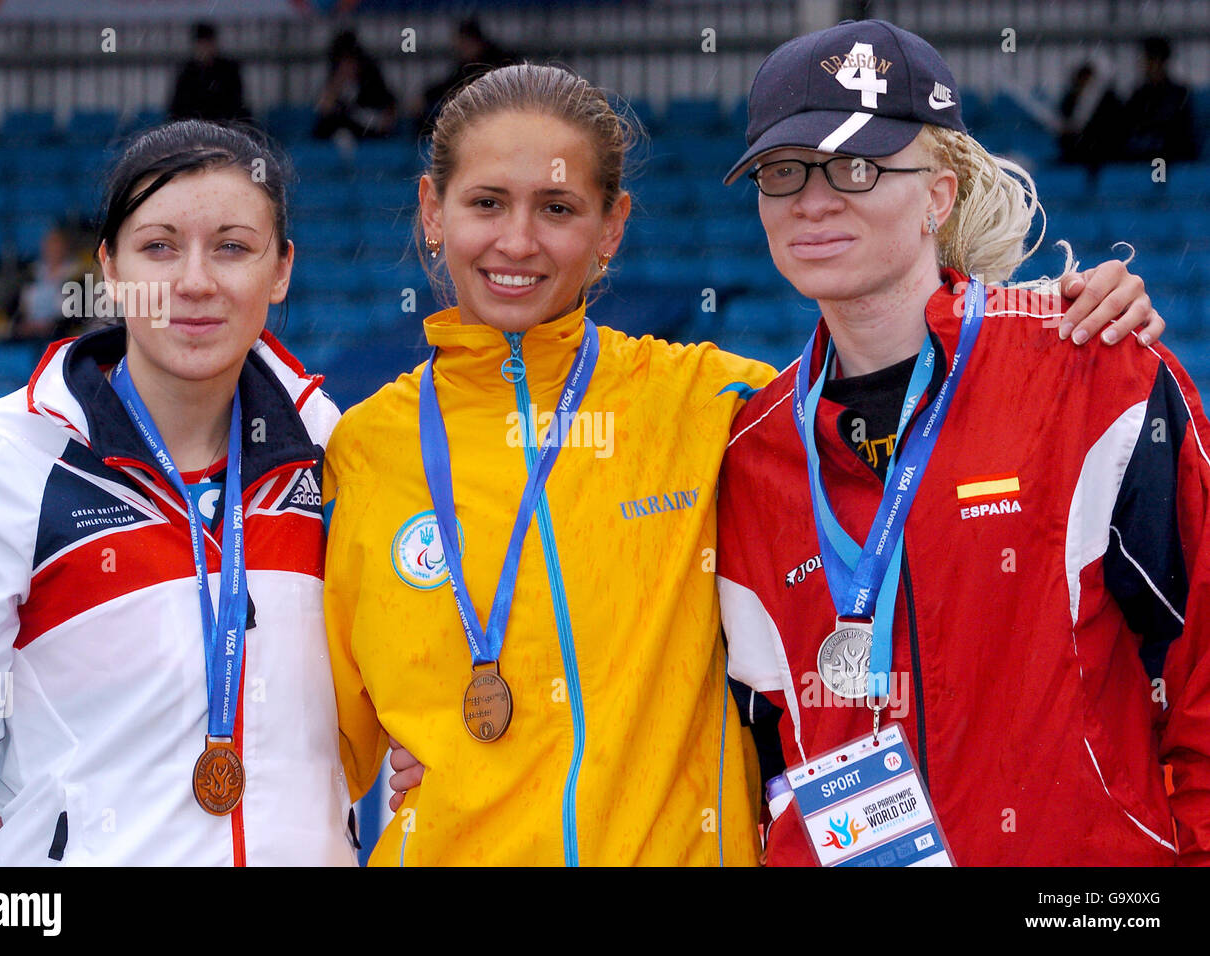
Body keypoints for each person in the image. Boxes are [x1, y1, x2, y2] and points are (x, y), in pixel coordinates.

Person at [324, 63, 1165, 867]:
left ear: (611, 227)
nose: (517, 239)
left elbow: (911, 392)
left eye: (556, 206)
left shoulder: (720, 409)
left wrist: (1049, 316)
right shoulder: (361, 452)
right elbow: (314, 748)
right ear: (432, 210)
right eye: (485, 203)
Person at [715, 19, 1209, 866]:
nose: (813, 199)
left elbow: (1199, 667)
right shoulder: (747, 451)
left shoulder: (1096, 372)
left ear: (938, 195)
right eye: (782, 171)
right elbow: (747, 745)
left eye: (858, 166)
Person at [0, 120, 354, 865]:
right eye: (159, 247)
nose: (195, 282)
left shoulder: (334, 452)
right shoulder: (6, 458)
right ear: (109, 269)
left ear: (281, 271)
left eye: (234, 247)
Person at [312, 30, 397, 149]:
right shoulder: (334, 81)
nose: (347, 67)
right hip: (342, 131)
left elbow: (388, 113)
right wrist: (336, 86)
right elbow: (324, 110)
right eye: (342, 62)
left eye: (350, 61)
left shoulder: (372, 80)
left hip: (369, 133)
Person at [1123, 36, 1197, 162]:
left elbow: (1178, 134)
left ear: (1160, 62)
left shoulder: (1178, 94)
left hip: (1170, 157)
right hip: (1143, 157)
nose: (1144, 65)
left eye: (1148, 60)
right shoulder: (1138, 95)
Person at [169, 22, 251, 125]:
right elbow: (178, 109)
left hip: (225, 127)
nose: (204, 49)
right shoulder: (186, 73)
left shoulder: (228, 71)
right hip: (194, 129)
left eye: (207, 44)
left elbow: (237, 105)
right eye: (201, 44)